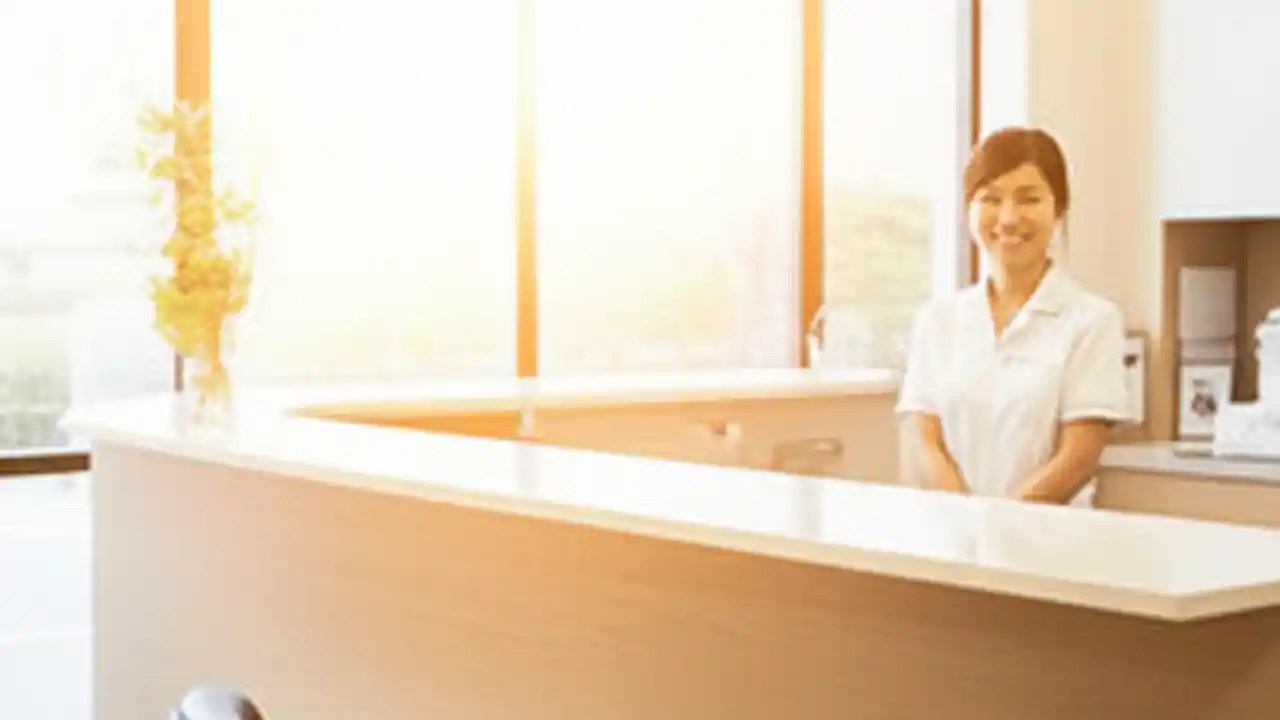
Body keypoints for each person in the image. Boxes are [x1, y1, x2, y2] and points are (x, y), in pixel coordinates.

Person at [896, 127, 1131, 506]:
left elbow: (1077, 458)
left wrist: (998, 523)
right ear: (969, 209)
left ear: (1059, 210)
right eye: (991, 199)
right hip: (952, 537)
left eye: (1029, 199)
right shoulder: (938, 320)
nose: (1008, 218)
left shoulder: (1092, 321)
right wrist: (965, 519)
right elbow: (924, 439)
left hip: (1049, 543)